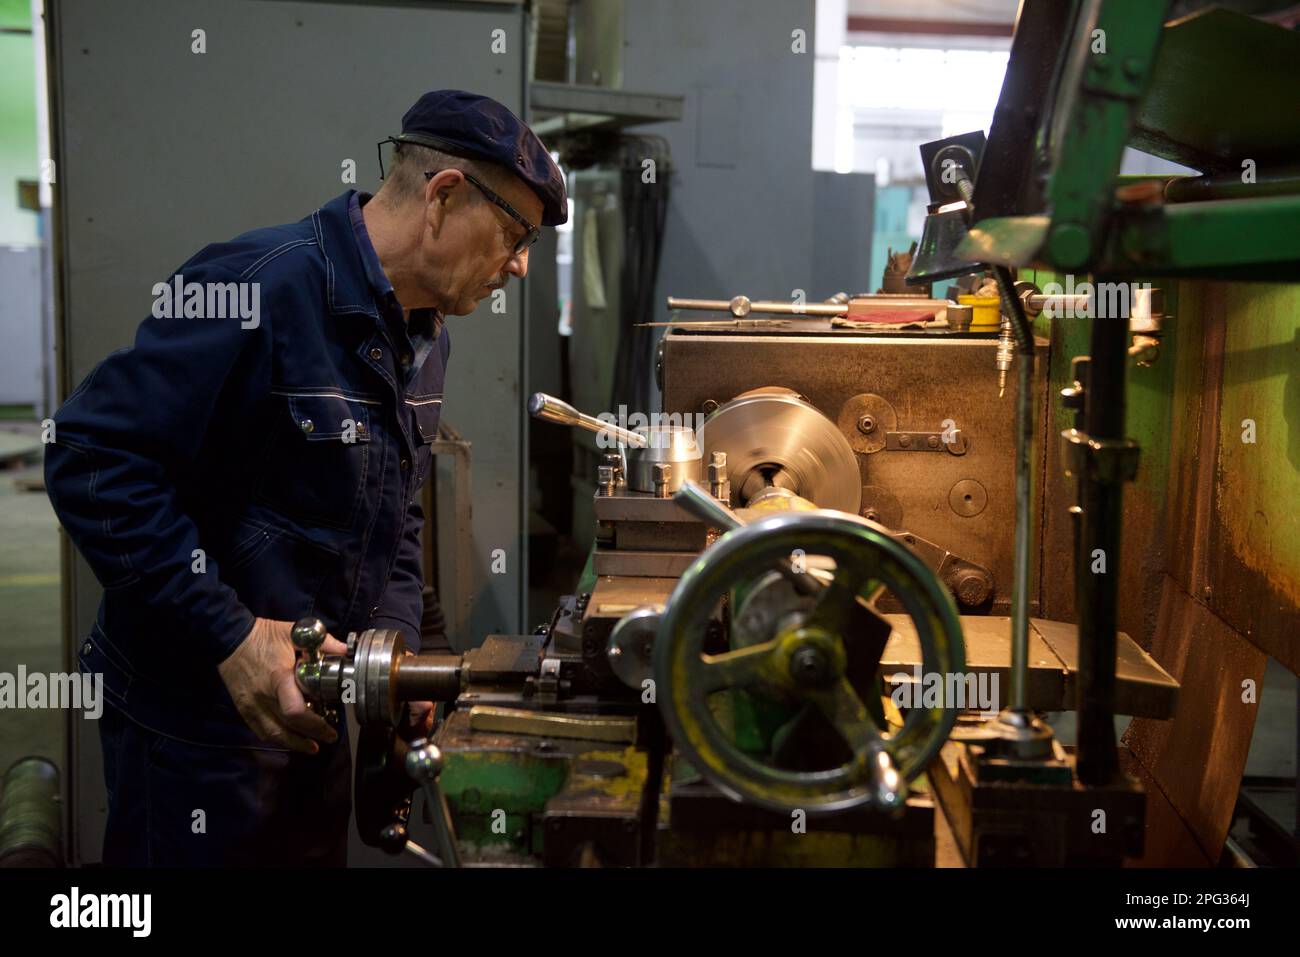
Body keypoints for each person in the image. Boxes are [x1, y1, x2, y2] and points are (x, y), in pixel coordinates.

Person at [44, 89, 567, 866]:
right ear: (443, 196)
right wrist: (231, 634)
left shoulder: (425, 337)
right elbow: (90, 456)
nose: (520, 263)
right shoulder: (256, 287)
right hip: (199, 732)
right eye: (515, 232)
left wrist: (405, 657)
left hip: (311, 718)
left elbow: (393, 523)